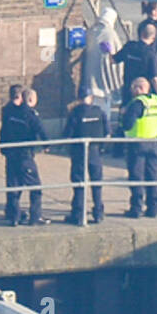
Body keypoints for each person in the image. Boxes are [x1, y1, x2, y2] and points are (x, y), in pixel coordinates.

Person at [0, 85, 49, 226]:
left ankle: (13, 217)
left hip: (11, 154)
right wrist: (47, 145)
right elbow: (40, 130)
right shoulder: (29, 114)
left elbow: (3, 132)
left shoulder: (9, 112)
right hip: (25, 156)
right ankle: (35, 217)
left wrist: (3, 148)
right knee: (35, 187)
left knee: (13, 186)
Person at [62, 86, 109, 225]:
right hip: (95, 152)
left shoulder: (75, 113)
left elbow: (67, 134)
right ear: (91, 98)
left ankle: (78, 214)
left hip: (79, 152)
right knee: (96, 183)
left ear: (78, 98)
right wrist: (102, 148)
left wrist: (67, 148)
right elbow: (107, 131)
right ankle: (98, 213)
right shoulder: (99, 112)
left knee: (79, 184)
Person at [120, 77, 157, 218]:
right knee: (152, 176)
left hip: (137, 143)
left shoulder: (137, 104)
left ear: (138, 89)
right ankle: (153, 208)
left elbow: (127, 124)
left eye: (133, 88)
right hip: (153, 142)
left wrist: (123, 115)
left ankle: (136, 208)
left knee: (136, 177)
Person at [81, 7, 122, 117]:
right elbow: (117, 55)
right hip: (104, 78)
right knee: (103, 109)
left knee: (91, 105)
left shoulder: (91, 31)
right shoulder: (110, 34)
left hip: (89, 76)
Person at [113, 21, 157, 106]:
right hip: (144, 94)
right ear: (153, 37)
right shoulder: (151, 54)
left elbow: (113, 60)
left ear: (141, 33)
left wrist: (108, 50)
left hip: (128, 91)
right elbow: (155, 78)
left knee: (125, 114)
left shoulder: (129, 47)